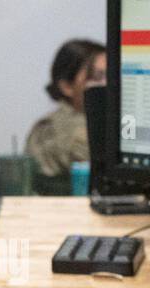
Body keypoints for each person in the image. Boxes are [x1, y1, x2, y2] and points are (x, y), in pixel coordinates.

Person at [25, 39, 107, 195]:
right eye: (97, 77)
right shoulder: (75, 130)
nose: (109, 84)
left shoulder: (55, 121)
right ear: (67, 87)